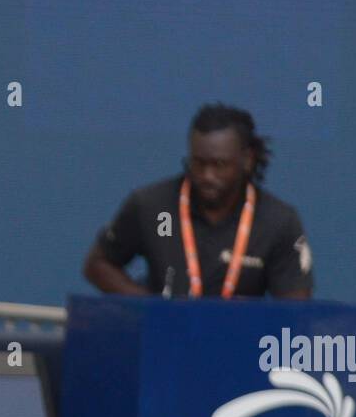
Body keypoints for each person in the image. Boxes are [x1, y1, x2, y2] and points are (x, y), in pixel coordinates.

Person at [83, 104, 314, 299]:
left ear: (247, 161)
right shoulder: (151, 206)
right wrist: (150, 309)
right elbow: (98, 265)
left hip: (240, 344)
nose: (207, 176)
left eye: (219, 165)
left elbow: (295, 306)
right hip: (164, 341)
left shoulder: (279, 222)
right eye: (198, 163)